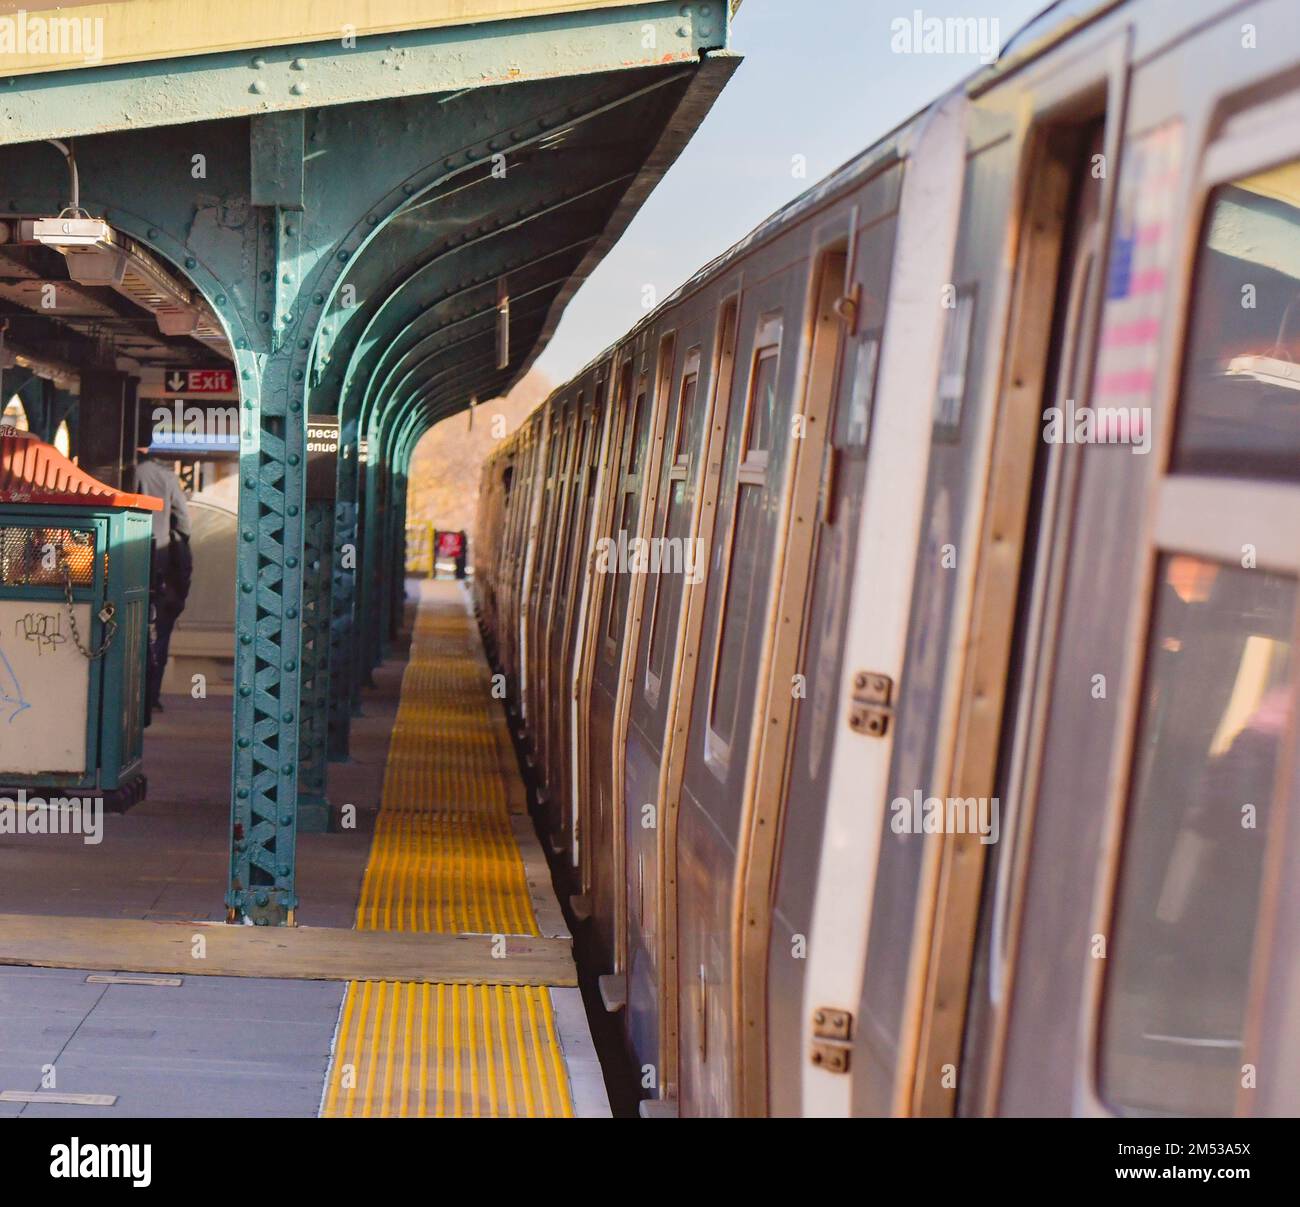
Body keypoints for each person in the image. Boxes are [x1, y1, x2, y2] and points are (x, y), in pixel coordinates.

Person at [134, 447, 192, 719]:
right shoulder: (167, 478)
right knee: (160, 636)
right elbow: (184, 524)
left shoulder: (130, 472)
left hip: (128, 561)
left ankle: (130, 692)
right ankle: (151, 696)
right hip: (160, 567)